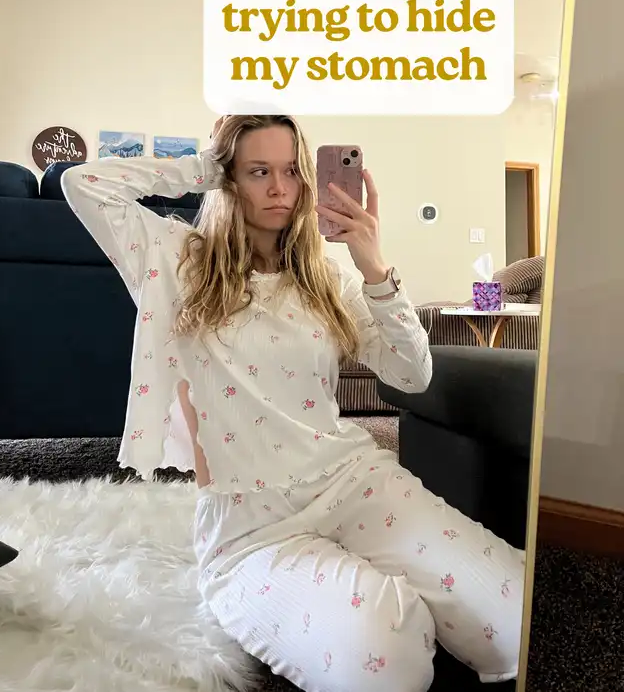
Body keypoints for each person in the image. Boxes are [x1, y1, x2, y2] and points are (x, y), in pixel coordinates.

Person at [62, 114, 525, 692]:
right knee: (384, 660)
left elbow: (411, 375)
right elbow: (83, 184)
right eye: (258, 172)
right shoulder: (176, 258)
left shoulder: (327, 276)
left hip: (354, 480)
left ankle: (413, 590)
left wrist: (373, 265)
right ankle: (387, 604)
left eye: (291, 171)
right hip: (252, 525)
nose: (279, 188)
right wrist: (206, 165)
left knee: (517, 619)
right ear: (229, 178)